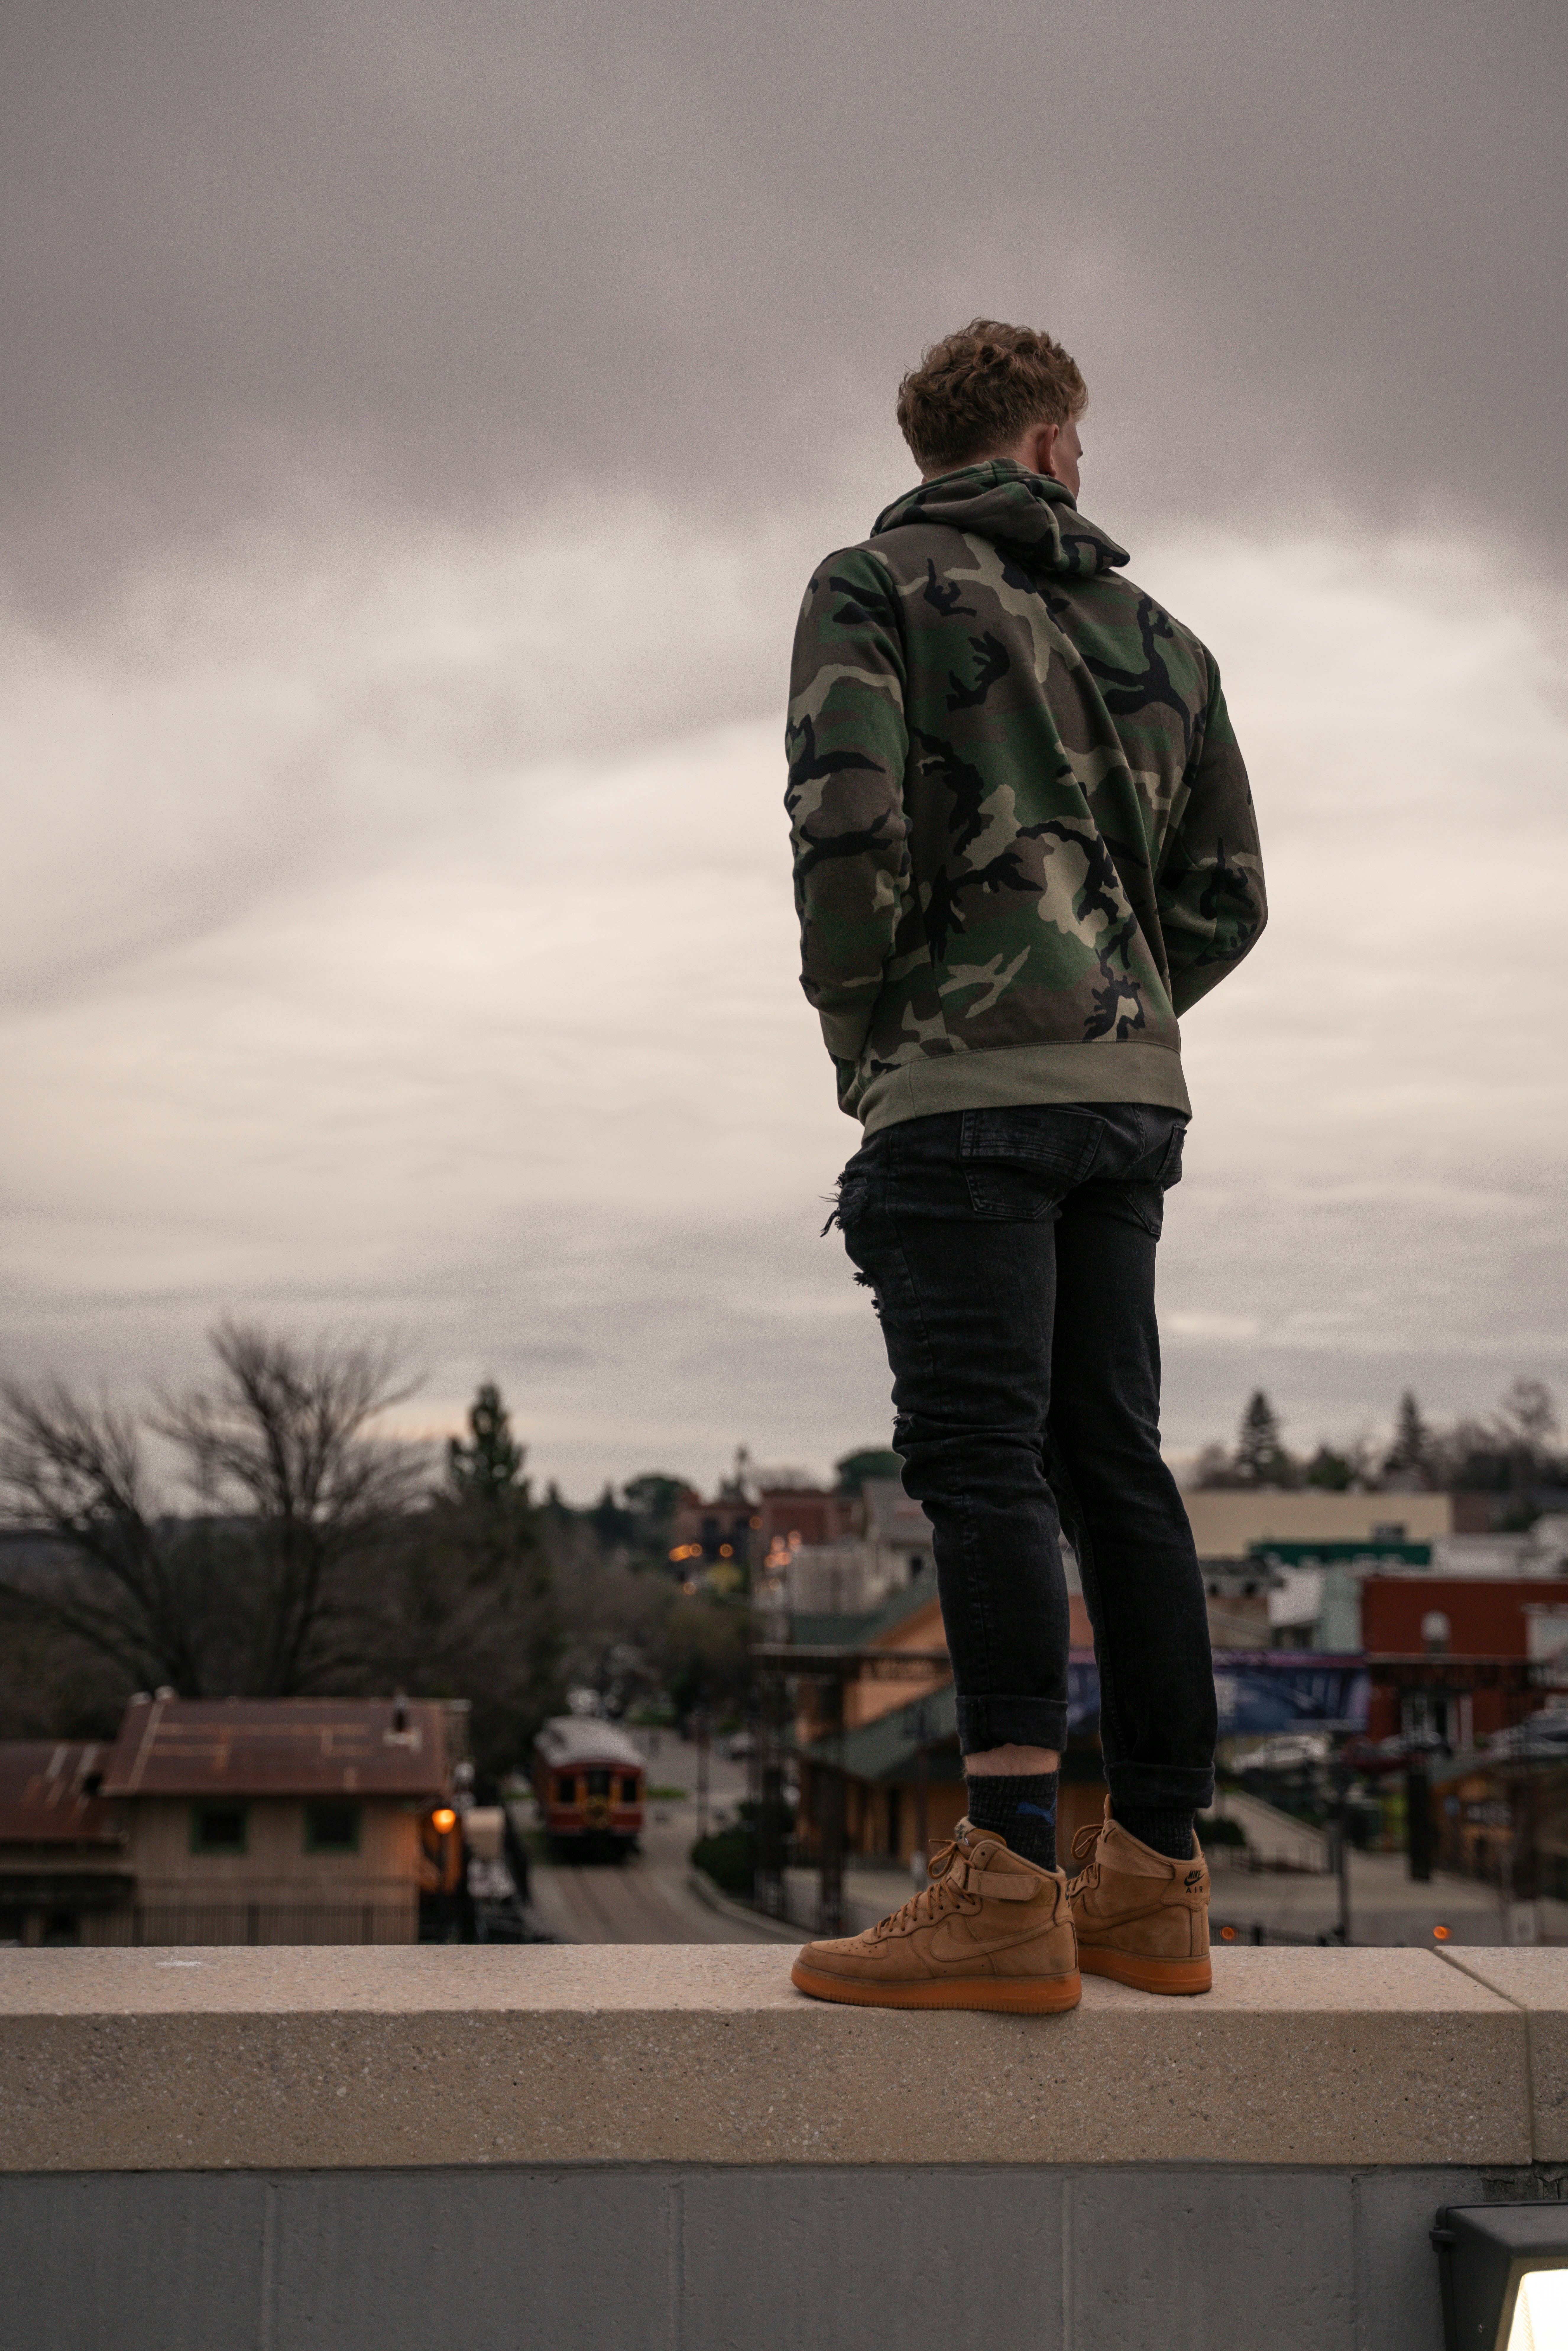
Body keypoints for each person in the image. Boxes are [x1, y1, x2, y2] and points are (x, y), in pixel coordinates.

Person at [783, 320, 1266, 2012]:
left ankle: (999, 1879)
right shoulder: (1164, 638)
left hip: (960, 1092)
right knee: (1109, 1463)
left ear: (941, 449)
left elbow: (846, 827)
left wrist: (875, 1035)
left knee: (980, 1462)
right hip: (1126, 1096)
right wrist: (1111, 1007)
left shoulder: (873, 585)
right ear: (1054, 448)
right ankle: (1152, 1878)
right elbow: (1227, 898)